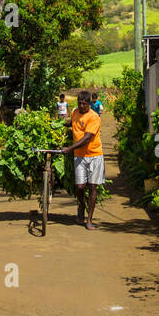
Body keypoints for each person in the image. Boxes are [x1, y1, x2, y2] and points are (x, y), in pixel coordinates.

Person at [59, 89, 104, 229]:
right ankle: (81, 205)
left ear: (89, 104)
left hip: (94, 155)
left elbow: (86, 138)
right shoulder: (74, 113)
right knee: (80, 187)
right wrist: (57, 124)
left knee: (92, 187)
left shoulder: (94, 117)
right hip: (79, 156)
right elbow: (71, 122)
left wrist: (69, 149)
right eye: (79, 103)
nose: (81, 106)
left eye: (84, 103)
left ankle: (89, 220)